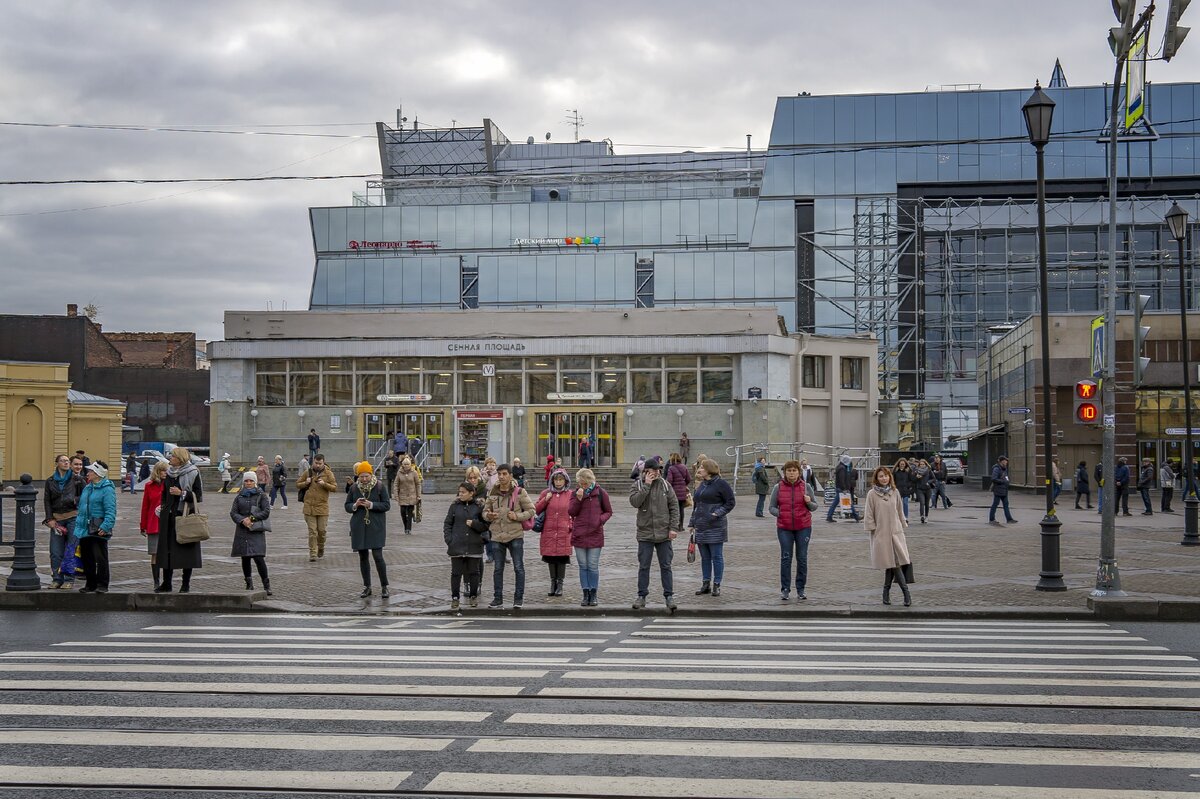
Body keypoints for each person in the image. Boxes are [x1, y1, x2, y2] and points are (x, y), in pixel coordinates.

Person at [629, 456, 681, 610]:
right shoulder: (637, 485)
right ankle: (641, 596)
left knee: (666, 566)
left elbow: (674, 507)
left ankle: (669, 596)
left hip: (664, 533)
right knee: (644, 566)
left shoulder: (666, 485)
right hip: (645, 533)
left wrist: (673, 528)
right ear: (645, 471)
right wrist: (646, 485)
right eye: (653, 470)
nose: (656, 473)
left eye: (658, 470)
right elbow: (635, 502)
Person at [483, 463, 535, 609]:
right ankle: (497, 598)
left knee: (518, 567)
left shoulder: (519, 492)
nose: (501, 477)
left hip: (515, 535)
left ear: (511, 475)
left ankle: (518, 599)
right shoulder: (493, 492)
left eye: (505, 474)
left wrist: (517, 516)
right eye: (499, 474)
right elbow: (484, 512)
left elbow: (531, 510)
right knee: (498, 568)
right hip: (497, 535)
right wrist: (488, 515)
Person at [864, 466, 912, 607]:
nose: (884, 478)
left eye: (886, 476)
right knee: (892, 564)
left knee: (894, 563)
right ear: (876, 478)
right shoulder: (872, 494)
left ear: (889, 477)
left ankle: (889, 592)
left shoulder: (895, 492)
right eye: (881, 476)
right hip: (881, 533)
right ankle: (905, 593)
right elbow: (869, 513)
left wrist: (902, 523)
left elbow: (899, 509)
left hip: (895, 533)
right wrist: (873, 528)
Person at [157, 447, 203, 593]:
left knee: (186, 551)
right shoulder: (169, 474)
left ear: (180, 458)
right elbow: (164, 494)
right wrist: (163, 507)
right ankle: (167, 583)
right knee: (167, 550)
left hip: (185, 515)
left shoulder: (193, 472)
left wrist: (182, 493)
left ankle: (185, 584)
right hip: (169, 516)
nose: (170, 458)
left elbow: (198, 495)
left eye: (173, 456)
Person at [690, 458, 736, 597]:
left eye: (702, 468)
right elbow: (696, 505)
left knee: (716, 556)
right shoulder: (702, 485)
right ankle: (706, 583)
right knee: (705, 557)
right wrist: (692, 523)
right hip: (701, 526)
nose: (700, 470)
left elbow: (730, 502)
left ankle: (717, 584)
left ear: (709, 470)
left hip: (715, 526)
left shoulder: (721, 484)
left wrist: (717, 513)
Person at [770, 459, 815, 601]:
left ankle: (801, 589)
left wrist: (808, 502)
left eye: (794, 470)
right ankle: (785, 589)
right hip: (784, 528)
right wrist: (780, 513)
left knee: (802, 558)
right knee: (786, 558)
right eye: (789, 470)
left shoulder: (806, 487)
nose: (791, 473)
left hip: (803, 527)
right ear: (784, 472)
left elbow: (814, 507)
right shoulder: (778, 487)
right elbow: (771, 507)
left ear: (799, 472)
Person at [346, 461, 392, 598]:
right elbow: (347, 505)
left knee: (378, 556)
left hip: (376, 527)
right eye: (361, 476)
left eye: (366, 476)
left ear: (371, 475)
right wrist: (355, 505)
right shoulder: (354, 488)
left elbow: (386, 505)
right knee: (363, 557)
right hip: (359, 527)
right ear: (358, 476)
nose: (364, 479)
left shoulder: (379, 487)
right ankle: (367, 586)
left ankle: (384, 586)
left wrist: (371, 505)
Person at [569, 467, 611, 607]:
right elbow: (571, 512)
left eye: (585, 483)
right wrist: (579, 499)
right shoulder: (575, 494)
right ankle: (585, 593)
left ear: (590, 481)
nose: (583, 486)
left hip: (595, 534)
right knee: (583, 565)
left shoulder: (600, 493)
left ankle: (593, 593)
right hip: (579, 534)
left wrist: (600, 520)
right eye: (581, 483)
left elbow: (608, 511)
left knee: (592, 565)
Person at [444, 481, 490, 609]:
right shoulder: (454, 506)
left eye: (463, 492)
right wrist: (449, 539)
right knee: (456, 573)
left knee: (474, 572)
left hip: (474, 544)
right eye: (459, 492)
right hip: (457, 544)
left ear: (471, 493)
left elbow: (486, 526)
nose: (460, 494)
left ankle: (473, 596)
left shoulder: (479, 506)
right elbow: (448, 523)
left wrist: (474, 524)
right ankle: (455, 597)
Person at [43, 453, 85, 589]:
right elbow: (47, 501)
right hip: (57, 520)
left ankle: (69, 579)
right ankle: (57, 578)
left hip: (73, 517)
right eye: (62, 461)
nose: (66, 463)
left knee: (70, 549)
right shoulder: (50, 481)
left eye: (67, 461)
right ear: (57, 464)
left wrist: (75, 500)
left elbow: (85, 497)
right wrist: (49, 519)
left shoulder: (77, 480)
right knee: (55, 551)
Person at [74, 461, 116, 594]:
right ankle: (90, 584)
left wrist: (106, 525)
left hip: (98, 527)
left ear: (98, 474)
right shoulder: (88, 487)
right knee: (87, 557)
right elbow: (82, 507)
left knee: (100, 557)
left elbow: (111, 509)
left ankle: (102, 584)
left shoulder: (107, 489)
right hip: (84, 527)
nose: (88, 473)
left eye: (91, 471)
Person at [230, 471, 272, 595]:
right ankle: (249, 584)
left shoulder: (261, 495)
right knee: (245, 558)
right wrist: (242, 520)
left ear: (255, 482)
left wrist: (252, 518)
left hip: (256, 530)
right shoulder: (239, 496)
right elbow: (233, 513)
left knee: (259, 558)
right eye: (246, 481)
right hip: (243, 530)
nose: (248, 483)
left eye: (251, 481)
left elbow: (266, 511)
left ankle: (266, 584)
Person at [536, 467, 574, 597]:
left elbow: (575, 512)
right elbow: (536, 509)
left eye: (561, 479)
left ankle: (560, 584)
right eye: (556, 479)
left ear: (565, 481)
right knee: (551, 558)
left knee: (561, 559)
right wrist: (545, 499)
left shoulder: (570, 494)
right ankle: (553, 583)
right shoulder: (546, 493)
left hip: (564, 531)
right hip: (549, 531)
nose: (558, 482)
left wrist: (570, 525)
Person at [296, 454, 338, 561]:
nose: (318, 465)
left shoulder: (328, 473)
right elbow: (298, 484)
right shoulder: (308, 472)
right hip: (309, 507)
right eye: (316, 463)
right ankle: (313, 553)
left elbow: (334, 488)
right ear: (313, 462)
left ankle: (321, 547)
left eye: (320, 463)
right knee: (312, 532)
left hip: (322, 507)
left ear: (323, 463)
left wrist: (324, 484)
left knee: (322, 531)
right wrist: (306, 482)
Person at [139, 461, 168, 588]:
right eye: (163, 470)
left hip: (167, 524)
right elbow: (145, 507)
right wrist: (143, 525)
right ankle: (156, 581)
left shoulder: (170, 485)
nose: (166, 473)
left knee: (167, 553)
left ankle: (166, 581)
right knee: (155, 553)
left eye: (167, 470)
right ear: (157, 471)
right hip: (153, 524)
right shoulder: (149, 486)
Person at [392, 457, 422, 534]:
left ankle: (408, 529)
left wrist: (418, 495)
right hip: (402, 495)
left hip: (412, 495)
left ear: (410, 464)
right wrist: (396, 495)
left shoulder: (414, 472)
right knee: (402, 512)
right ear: (402, 465)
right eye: (405, 464)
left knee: (409, 513)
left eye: (408, 464)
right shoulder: (399, 473)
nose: (406, 466)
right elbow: (396, 484)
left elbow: (418, 484)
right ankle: (405, 526)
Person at [827, 454, 861, 522]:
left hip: (840, 488)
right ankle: (856, 516)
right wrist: (844, 488)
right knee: (848, 502)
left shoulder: (840, 467)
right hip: (841, 489)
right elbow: (842, 479)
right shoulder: (842, 468)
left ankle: (829, 516)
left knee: (837, 503)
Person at [988, 455, 1016, 525]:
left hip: (1004, 490)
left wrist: (1006, 481)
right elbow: (994, 478)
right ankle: (991, 519)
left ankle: (1009, 519)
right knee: (995, 504)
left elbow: (1005, 477)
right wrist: (1003, 481)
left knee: (1006, 504)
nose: (1006, 462)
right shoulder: (996, 469)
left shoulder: (1004, 469)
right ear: (1002, 461)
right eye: (1005, 461)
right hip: (998, 490)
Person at [665, 453, 691, 524]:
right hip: (682, 492)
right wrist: (684, 484)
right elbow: (689, 479)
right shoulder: (684, 467)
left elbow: (669, 480)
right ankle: (681, 525)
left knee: (673, 509)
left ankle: (674, 524)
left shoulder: (671, 468)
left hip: (674, 492)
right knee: (681, 509)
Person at [912, 459, 933, 524]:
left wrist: (928, 482)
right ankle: (922, 516)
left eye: (923, 464)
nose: (922, 465)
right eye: (920, 464)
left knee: (927, 504)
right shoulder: (916, 471)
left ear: (926, 464)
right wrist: (916, 477)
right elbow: (913, 480)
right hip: (920, 489)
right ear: (919, 465)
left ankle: (926, 516)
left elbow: (933, 479)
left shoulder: (928, 471)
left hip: (927, 489)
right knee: (922, 502)